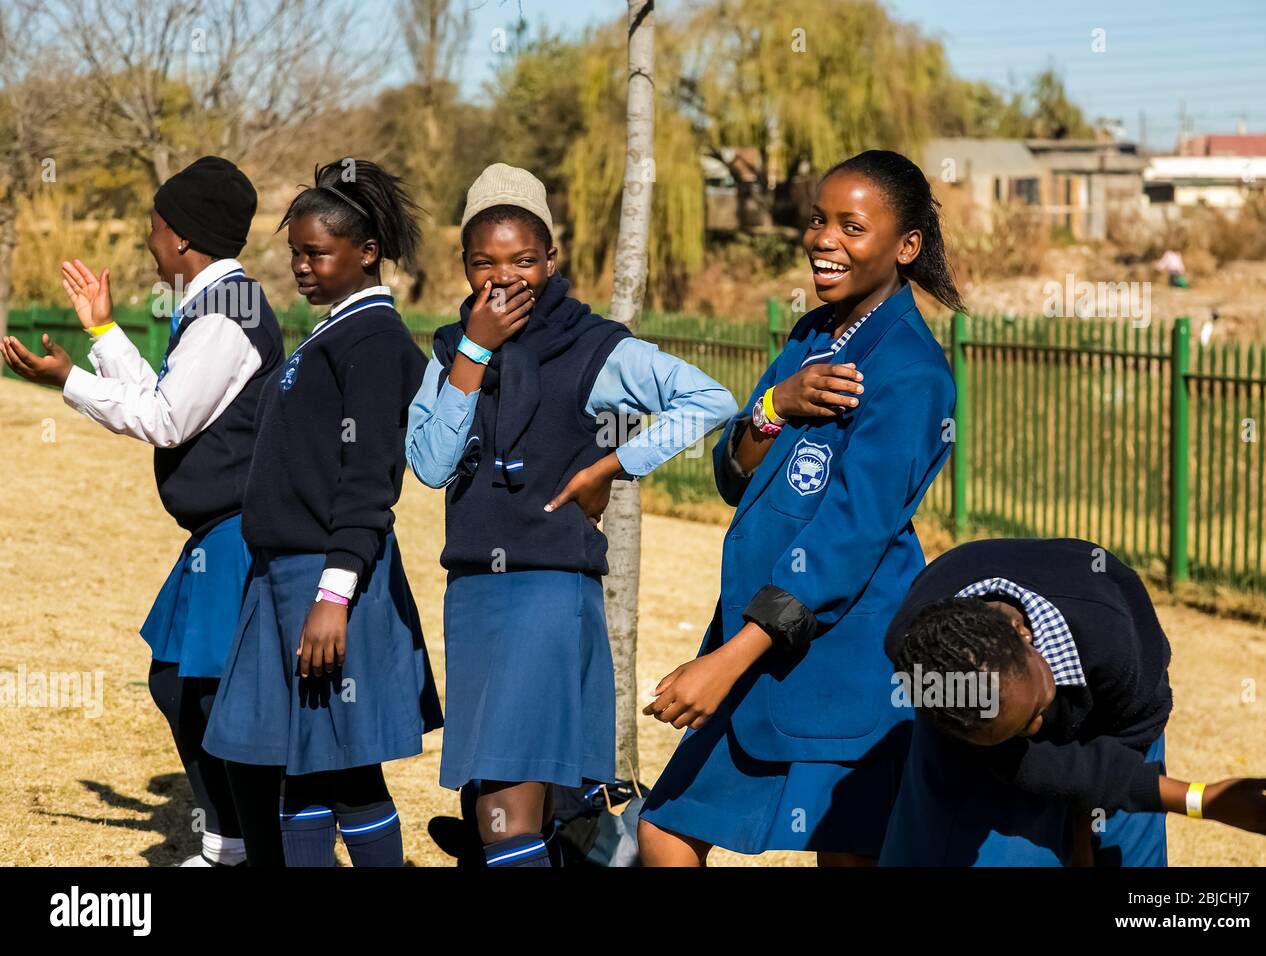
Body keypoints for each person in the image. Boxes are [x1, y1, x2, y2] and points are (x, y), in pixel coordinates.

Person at [405, 163, 736, 867]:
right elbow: (432, 465)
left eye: (524, 260)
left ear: (551, 259)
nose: (505, 279)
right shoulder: (446, 352)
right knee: (488, 798)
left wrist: (610, 467)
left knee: (507, 814)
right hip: (473, 595)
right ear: (463, 266)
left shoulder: (594, 347)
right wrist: (474, 350)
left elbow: (711, 401)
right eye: (484, 263)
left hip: (549, 593)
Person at [637, 150, 959, 866]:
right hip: (760, 644)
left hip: (843, 658)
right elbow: (735, 471)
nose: (824, 238)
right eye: (818, 219)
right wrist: (774, 404)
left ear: (905, 247)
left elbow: (850, 536)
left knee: (846, 852)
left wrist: (727, 660)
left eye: (852, 225)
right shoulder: (809, 337)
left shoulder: (913, 371)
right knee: (664, 829)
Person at [1, 156, 283, 867]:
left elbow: (163, 419)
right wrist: (102, 334)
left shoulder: (231, 313)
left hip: (235, 533)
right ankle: (231, 838)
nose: (148, 240)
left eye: (155, 227)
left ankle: (246, 841)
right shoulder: (217, 306)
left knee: (208, 690)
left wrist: (70, 379)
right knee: (176, 677)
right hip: (212, 533)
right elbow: (169, 392)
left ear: (183, 237)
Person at [202, 159, 442, 867]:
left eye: (317, 253)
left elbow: (369, 481)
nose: (301, 267)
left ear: (365, 253)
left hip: (330, 580)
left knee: (346, 768)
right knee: (299, 764)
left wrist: (333, 595)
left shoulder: (373, 339)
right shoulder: (331, 333)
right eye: (295, 254)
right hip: (279, 579)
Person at [879, 536, 1266, 866]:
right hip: (979, 730)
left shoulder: (1119, 648)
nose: (1040, 731)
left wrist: (1199, 800)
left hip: (1109, 709)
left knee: (1127, 861)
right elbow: (1037, 766)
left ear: (1023, 632)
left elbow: (1109, 766)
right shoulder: (930, 669)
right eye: (1023, 730)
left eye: (1038, 711)